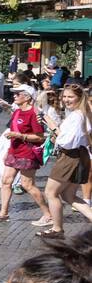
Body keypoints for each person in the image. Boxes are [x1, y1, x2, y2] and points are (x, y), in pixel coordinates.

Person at [0, 85, 53, 225]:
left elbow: (40, 137)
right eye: (15, 94)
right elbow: (13, 134)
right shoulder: (17, 112)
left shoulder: (34, 114)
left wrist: (20, 135)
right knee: (6, 181)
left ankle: (48, 214)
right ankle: (3, 212)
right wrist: (8, 151)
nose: (14, 96)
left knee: (27, 184)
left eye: (18, 94)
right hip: (14, 151)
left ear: (27, 97)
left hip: (27, 153)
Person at [38, 84, 92, 239]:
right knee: (69, 195)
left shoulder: (77, 116)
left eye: (71, 97)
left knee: (51, 192)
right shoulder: (83, 114)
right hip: (80, 156)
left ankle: (57, 228)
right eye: (65, 96)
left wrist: (52, 126)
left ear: (79, 98)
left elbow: (66, 141)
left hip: (70, 157)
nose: (66, 100)